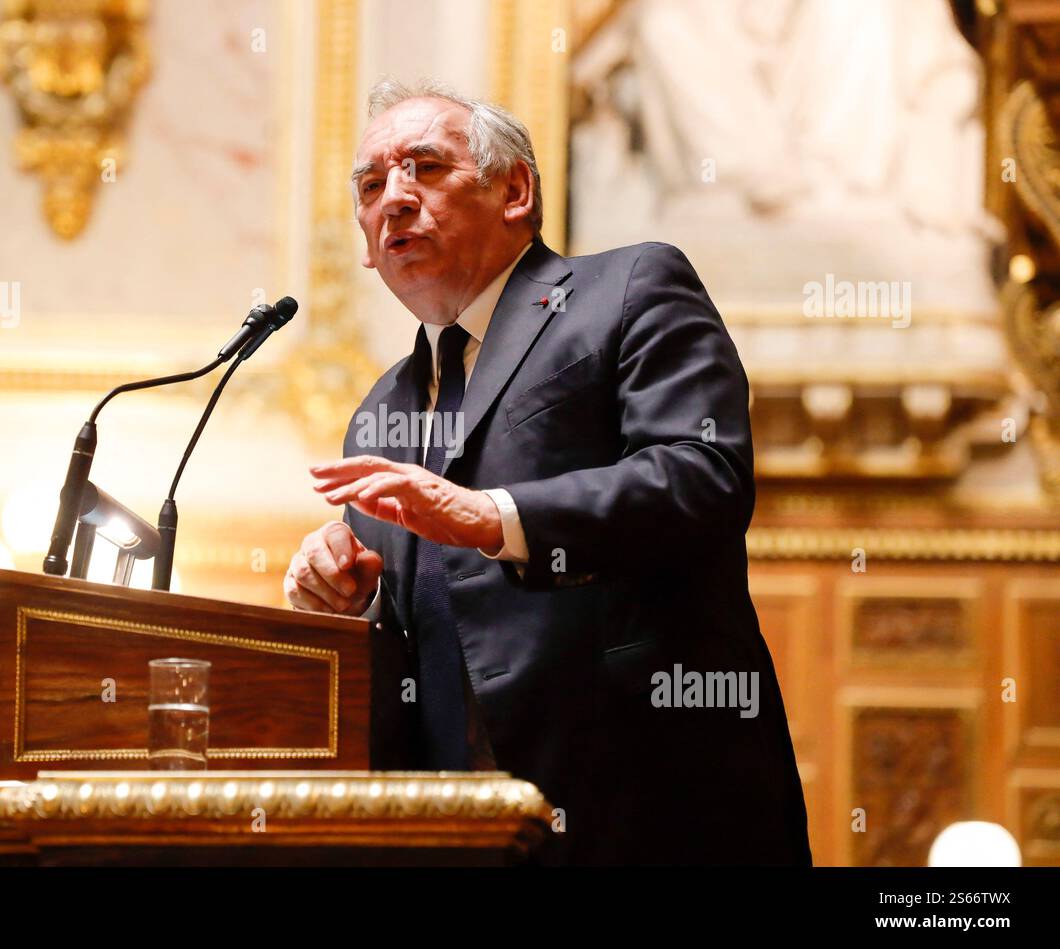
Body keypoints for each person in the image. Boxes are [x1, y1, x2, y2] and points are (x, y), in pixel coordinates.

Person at [283, 78, 811, 865]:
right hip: (459, 833)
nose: (394, 198)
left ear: (516, 189)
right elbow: (419, 635)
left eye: (424, 168)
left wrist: (495, 517)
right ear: (363, 240)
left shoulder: (627, 291)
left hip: (648, 809)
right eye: (371, 184)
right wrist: (346, 602)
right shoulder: (378, 412)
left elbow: (704, 475)